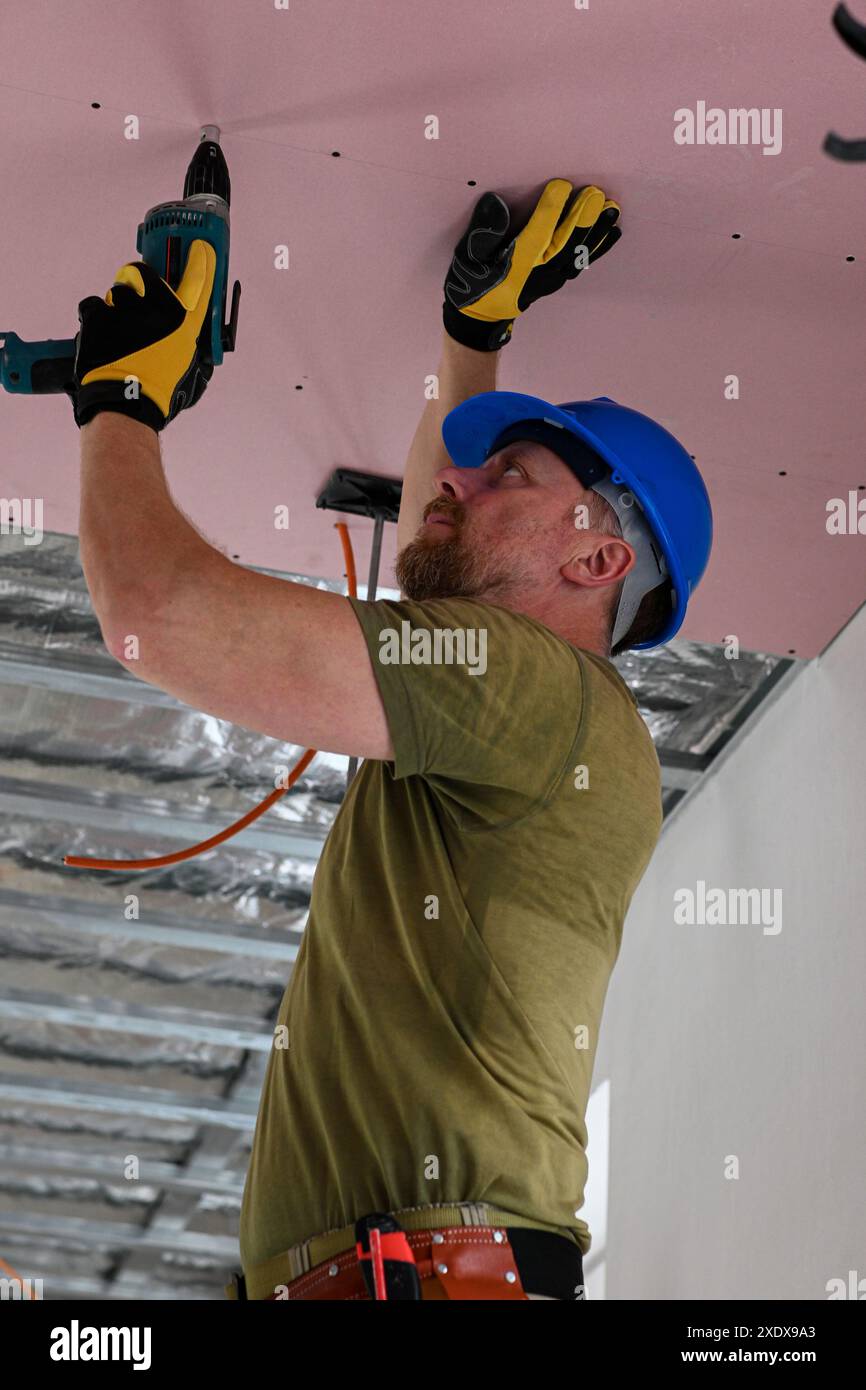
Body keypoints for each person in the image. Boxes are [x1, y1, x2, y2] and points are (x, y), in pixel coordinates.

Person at [71, 177, 712, 1301]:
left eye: (506, 473)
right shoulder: (516, 698)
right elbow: (434, 541)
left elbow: (156, 614)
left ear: (598, 561)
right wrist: (474, 338)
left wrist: (122, 396)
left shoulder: (530, 689)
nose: (454, 483)